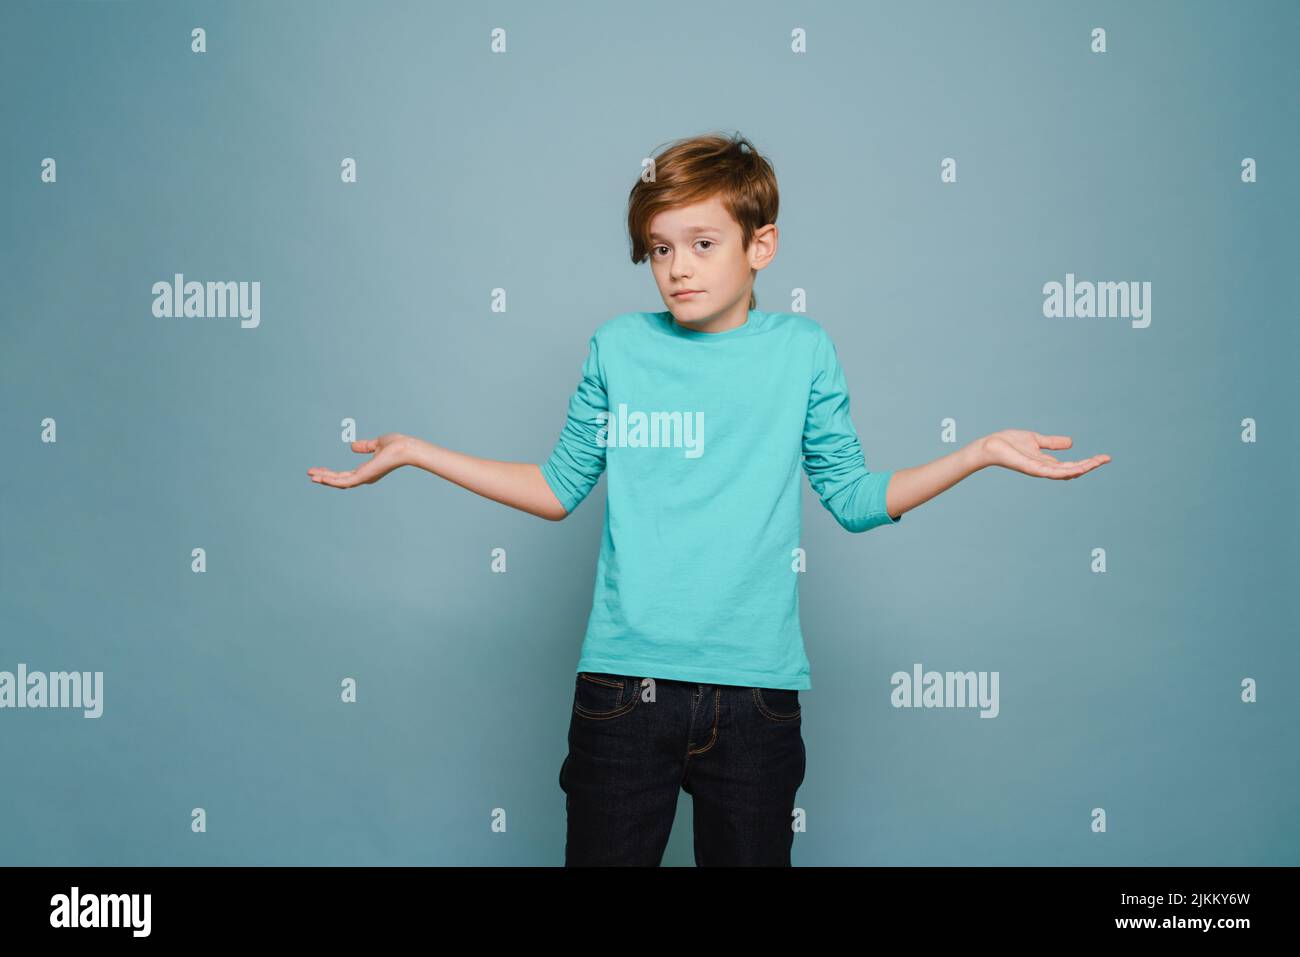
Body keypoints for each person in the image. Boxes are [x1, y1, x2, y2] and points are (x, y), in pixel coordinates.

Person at [306, 131, 1110, 866]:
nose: (677, 267)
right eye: (659, 248)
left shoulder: (803, 350)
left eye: (701, 243)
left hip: (758, 702)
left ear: (761, 246)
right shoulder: (618, 347)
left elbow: (856, 497)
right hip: (622, 694)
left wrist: (976, 454)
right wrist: (417, 453)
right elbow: (557, 488)